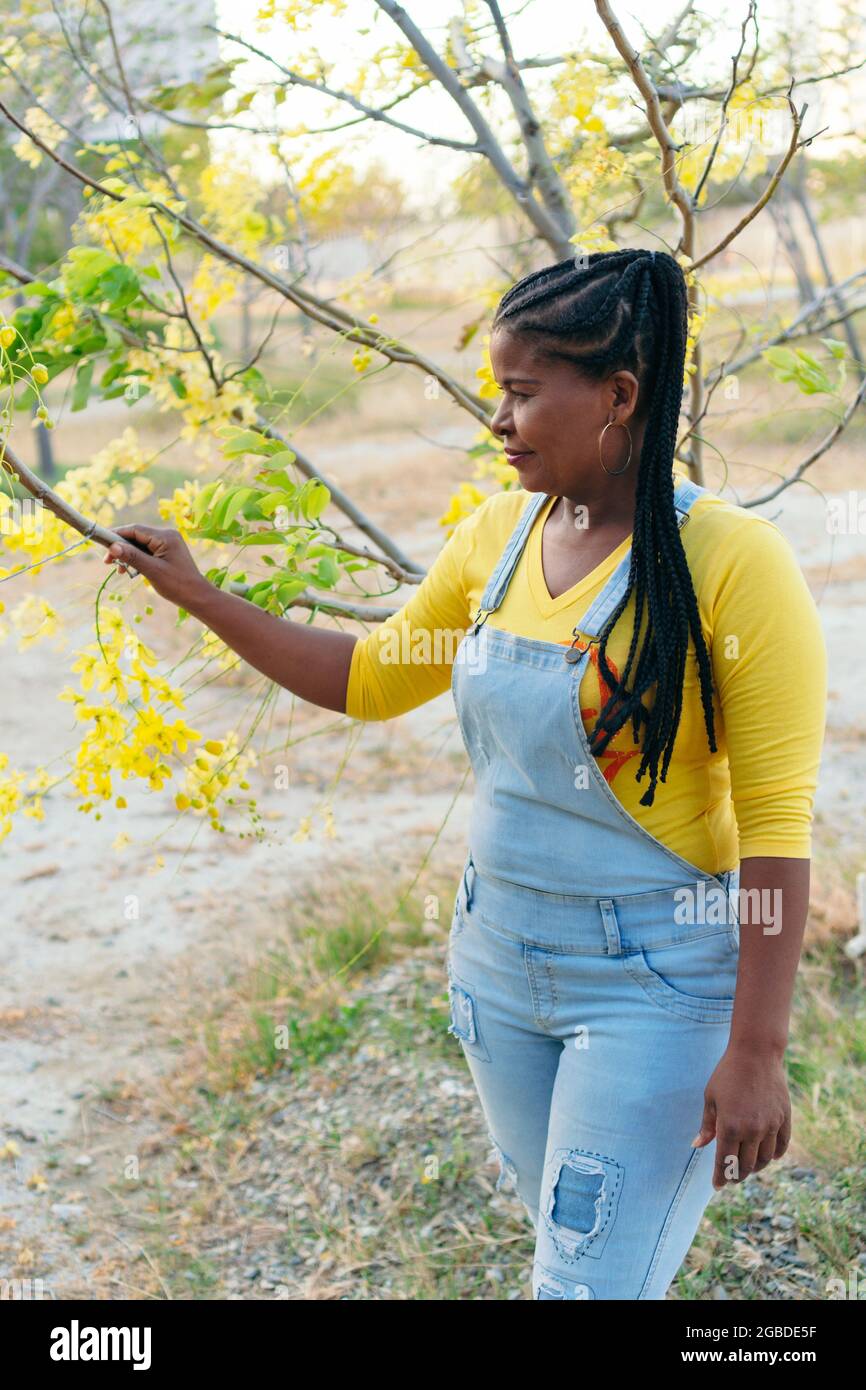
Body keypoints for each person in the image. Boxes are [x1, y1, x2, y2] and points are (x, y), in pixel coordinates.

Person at [104, 248, 827, 1300]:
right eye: (499, 389)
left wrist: (756, 1048)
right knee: (578, 1263)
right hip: (497, 967)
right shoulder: (493, 538)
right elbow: (364, 677)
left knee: (582, 1286)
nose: (497, 418)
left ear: (617, 396)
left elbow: (771, 825)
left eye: (524, 393)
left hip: (652, 987)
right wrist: (202, 598)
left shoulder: (730, 561)